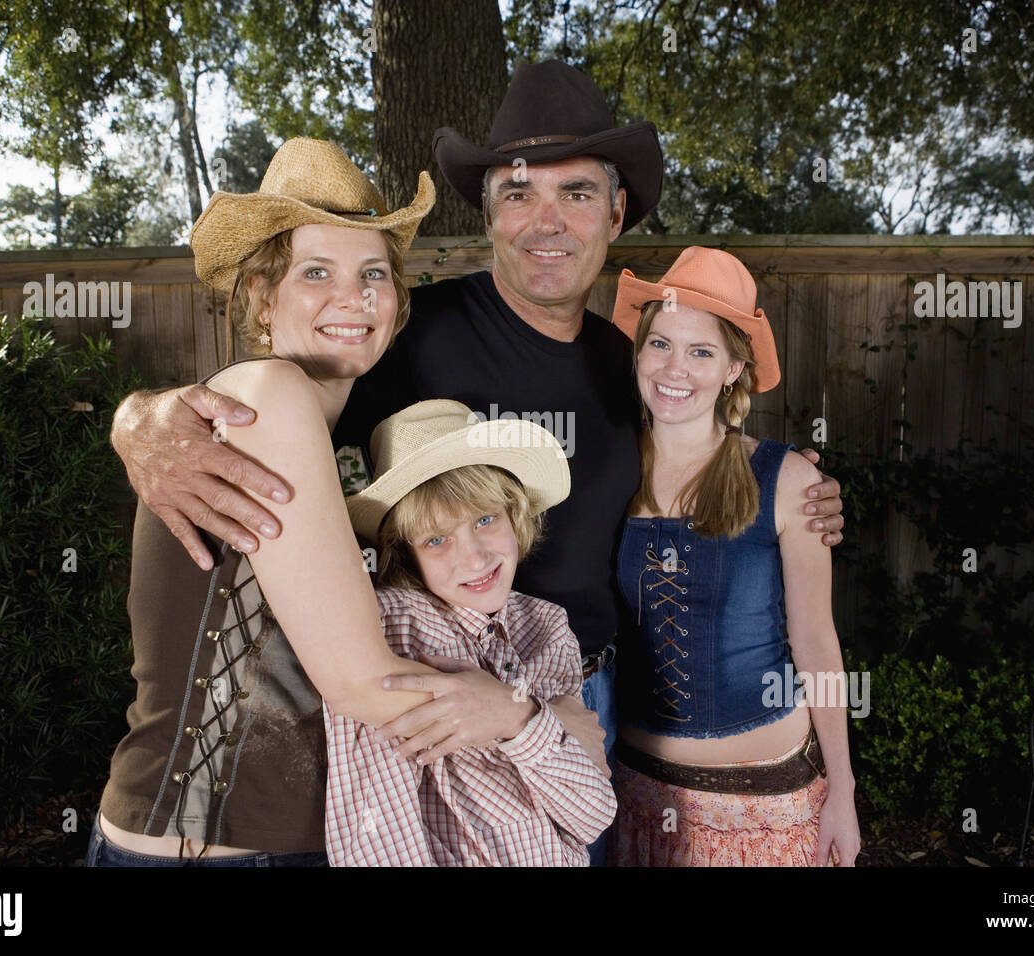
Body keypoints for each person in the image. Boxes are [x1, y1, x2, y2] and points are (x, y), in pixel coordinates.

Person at [107, 61, 846, 866]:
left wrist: (790, 484)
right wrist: (137, 419)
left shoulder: (627, 364)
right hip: (441, 705)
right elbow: (259, 400)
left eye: (578, 194)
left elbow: (694, 453)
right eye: (520, 193)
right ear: (488, 214)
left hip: (586, 695)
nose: (547, 220)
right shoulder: (401, 337)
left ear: (617, 211)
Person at [86, 137, 449, 865]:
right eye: (316, 271)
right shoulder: (266, 397)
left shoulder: (336, 438)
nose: (354, 297)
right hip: (205, 849)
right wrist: (532, 718)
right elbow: (361, 684)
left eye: (372, 272)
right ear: (260, 296)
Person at [605, 247, 861, 866]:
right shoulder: (602, 468)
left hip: (768, 805)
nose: (675, 368)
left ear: (731, 370)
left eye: (701, 352)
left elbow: (816, 642)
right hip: (634, 796)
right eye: (660, 344)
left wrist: (844, 791)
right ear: (638, 351)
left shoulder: (789, 478)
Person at [325, 400, 616, 865]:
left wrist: (515, 718)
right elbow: (377, 809)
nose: (476, 557)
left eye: (485, 520)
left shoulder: (547, 624)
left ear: (514, 516)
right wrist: (543, 723)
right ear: (404, 553)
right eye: (436, 539)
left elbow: (592, 814)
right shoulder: (393, 622)